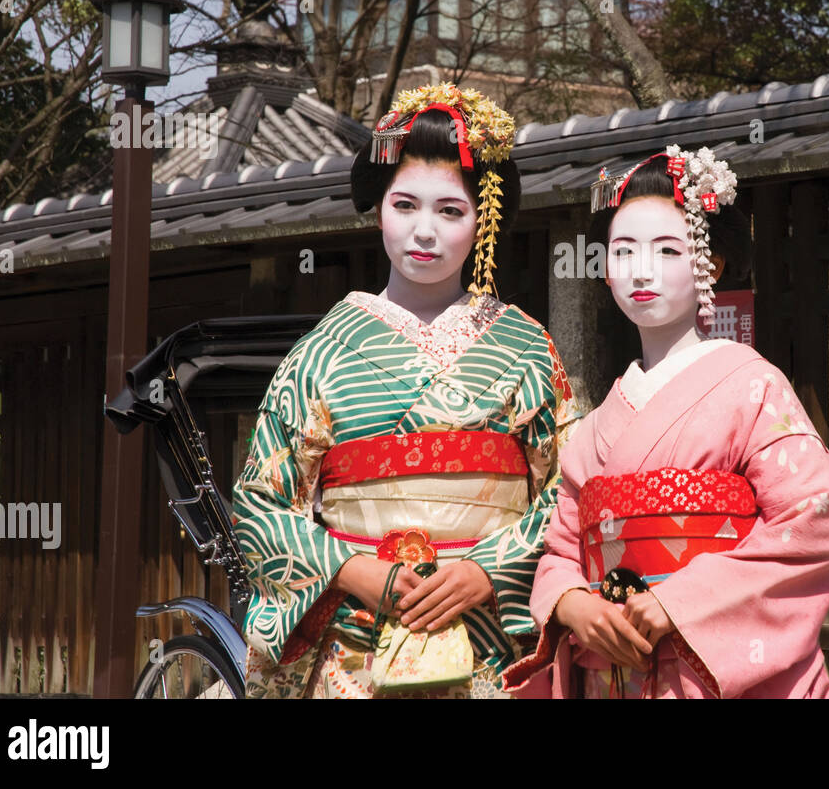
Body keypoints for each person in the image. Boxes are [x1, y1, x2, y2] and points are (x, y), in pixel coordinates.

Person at [231, 83, 580, 698]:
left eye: (450, 210)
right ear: (378, 210)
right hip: (356, 639)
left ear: (483, 220)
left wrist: (487, 569)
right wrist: (352, 568)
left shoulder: (526, 347)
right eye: (404, 206)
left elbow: (570, 491)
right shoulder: (323, 350)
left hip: (492, 640)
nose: (425, 231)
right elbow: (260, 503)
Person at [503, 146, 829, 698]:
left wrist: (675, 602)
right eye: (623, 251)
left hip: (711, 675)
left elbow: (811, 521)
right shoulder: (593, 430)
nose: (642, 270)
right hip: (613, 671)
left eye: (668, 250)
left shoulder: (752, 387)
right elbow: (564, 550)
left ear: (712, 263)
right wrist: (573, 604)